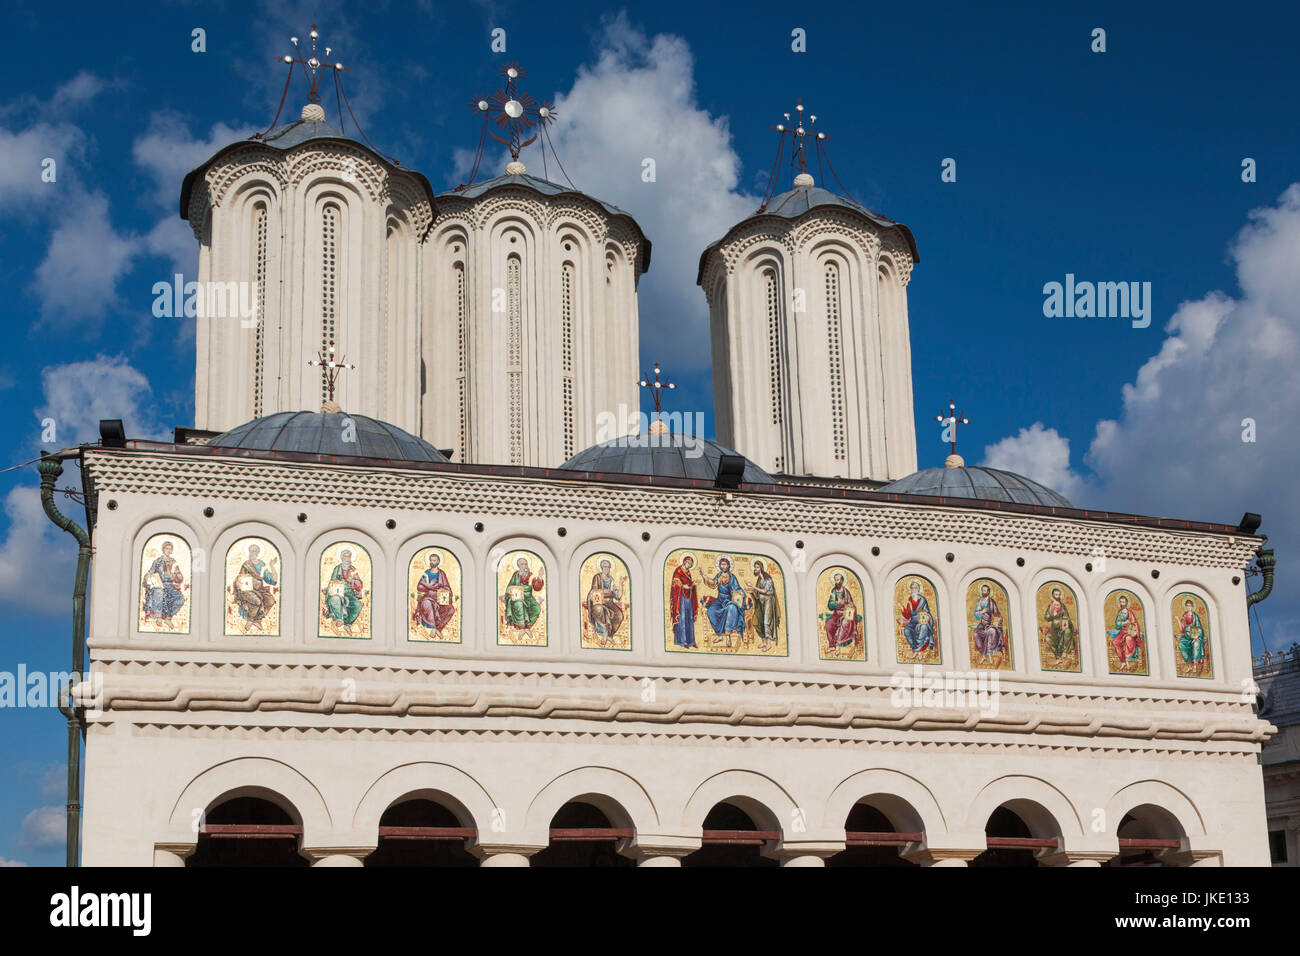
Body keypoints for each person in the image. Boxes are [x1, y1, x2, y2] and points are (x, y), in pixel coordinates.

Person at [704, 556, 748, 649]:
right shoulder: (719, 575)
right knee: (711, 611)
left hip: (729, 600)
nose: (723, 566)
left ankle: (728, 636)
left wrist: (741, 593)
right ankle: (719, 635)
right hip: (719, 600)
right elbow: (713, 584)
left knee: (732, 608)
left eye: (725, 564)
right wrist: (704, 576)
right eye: (721, 565)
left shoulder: (732, 577)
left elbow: (737, 588)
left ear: (728, 566)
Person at [232, 542, 278, 629]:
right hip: (246, 590)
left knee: (270, 600)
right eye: (250, 551)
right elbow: (240, 578)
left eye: (253, 551)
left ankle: (258, 620)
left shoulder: (261, 564)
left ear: (258, 553)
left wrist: (272, 566)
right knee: (257, 601)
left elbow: (273, 581)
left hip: (259, 590)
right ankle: (250, 620)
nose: (251, 553)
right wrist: (239, 584)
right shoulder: (246, 565)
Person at [323, 548, 365, 636]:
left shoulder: (353, 570)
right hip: (337, 592)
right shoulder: (337, 569)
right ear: (342, 558)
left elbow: (359, 584)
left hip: (349, 594)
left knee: (358, 605)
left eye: (349, 557)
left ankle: (348, 623)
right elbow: (332, 581)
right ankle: (339, 619)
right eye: (345, 557)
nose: (347, 559)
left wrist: (353, 581)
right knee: (335, 599)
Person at [143, 540, 186, 625]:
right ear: (163, 549)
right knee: (159, 592)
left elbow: (179, 577)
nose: (168, 551)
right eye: (167, 548)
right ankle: (158, 617)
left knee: (180, 597)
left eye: (170, 549)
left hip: (170, 585)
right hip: (159, 584)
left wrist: (177, 574)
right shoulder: (158, 561)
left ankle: (169, 618)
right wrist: (147, 577)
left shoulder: (174, 562)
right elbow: (151, 571)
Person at [413, 551, 455, 637]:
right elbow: (419, 587)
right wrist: (429, 586)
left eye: (434, 560)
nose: (432, 562)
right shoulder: (427, 573)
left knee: (451, 609)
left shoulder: (441, 574)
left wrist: (443, 589)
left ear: (438, 562)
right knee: (427, 604)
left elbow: (447, 587)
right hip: (428, 598)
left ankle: (438, 629)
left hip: (440, 599)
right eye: (431, 560)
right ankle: (433, 627)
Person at [585, 558, 625, 646]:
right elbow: (595, 591)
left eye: (608, 567)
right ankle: (605, 632)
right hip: (598, 603)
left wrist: (621, 584)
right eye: (605, 567)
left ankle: (610, 635)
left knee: (620, 615)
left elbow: (618, 596)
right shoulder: (597, 577)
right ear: (601, 567)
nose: (607, 569)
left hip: (610, 604)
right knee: (599, 609)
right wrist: (608, 592)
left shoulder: (611, 580)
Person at [501, 555, 543, 636]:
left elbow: (537, 588)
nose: (525, 566)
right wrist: (510, 591)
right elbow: (509, 587)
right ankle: (521, 628)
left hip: (529, 598)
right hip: (517, 597)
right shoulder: (516, 575)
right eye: (522, 564)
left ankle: (527, 628)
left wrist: (540, 577)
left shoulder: (531, 575)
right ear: (519, 566)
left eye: (526, 564)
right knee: (519, 604)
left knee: (537, 608)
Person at [824, 572, 860, 656]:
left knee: (844, 623)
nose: (837, 582)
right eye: (835, 580)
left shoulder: (846, 592)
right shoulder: (833, 591)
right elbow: (830, 605)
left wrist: (847, 605)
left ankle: (838, 645)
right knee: (828, 624)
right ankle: (832, 645)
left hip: (846, 614)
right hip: (836, 614)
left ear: (842, 581)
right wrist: (838, 603)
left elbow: (851, 604)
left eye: (838, 580)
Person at [898, 579, 936, 659]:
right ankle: (915, 650)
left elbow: (927, 613)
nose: (913, 590)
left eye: (915, 588)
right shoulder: (910, 600)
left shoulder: (923, 600)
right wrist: (902, 608)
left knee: (923, 627)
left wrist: (924, 618)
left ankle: (918, 650)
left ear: (918, 589)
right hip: (913, 621)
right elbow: (908, 615)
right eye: (912, 588)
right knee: (907, 630)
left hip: (922, 621)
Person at [971, 583, 1006, 666]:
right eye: (982, 590)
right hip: (982, 624)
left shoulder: (991, 602)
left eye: (985, 591)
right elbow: (976, 615)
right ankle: (983, 654)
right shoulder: (980, 601)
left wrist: (995, 621)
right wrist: (981, 612)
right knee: (976, 633)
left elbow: (997, 614)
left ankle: (988, 655)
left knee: (991, 632)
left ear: (988, 592)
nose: (983, 592)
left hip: (991, 624)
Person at [1040, 587, 1077, 666]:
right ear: (1052, 595)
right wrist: (1052, 614)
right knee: (1048, 638)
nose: (1057, 596)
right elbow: (1047, 618)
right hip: (1054, 629)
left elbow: (1067, 617)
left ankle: (1065, 652)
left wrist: (1064, 620)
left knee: (1067, 631)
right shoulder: (1051, 607)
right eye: (1056, 594)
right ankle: (1058, 657)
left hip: (1063, 627)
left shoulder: (1063, 606)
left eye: (1059, 594)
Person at [750, 560, 780, 652]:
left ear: (761, 568)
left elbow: (765, 591)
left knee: (767, 622)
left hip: (768, 602)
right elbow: (758, 592)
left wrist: (753, 587)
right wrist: (751, 592)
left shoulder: (767, 578)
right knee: (757, 620)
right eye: (754, 567)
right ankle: (763, 641)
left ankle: (769, 644)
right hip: (761, 603)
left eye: (757, 567)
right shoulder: (759, 579)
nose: (755, 569)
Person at [670, 554, 699, 648]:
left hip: (688, 597)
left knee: (689, 618)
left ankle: (691, 641)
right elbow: (675, 583)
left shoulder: (688, 572)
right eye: (688, 563)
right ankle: (683, 641)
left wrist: (693, 584)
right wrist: (683, 586)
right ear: (684, 562)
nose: (689, 566)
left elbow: (688, 584)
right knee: (682, 618)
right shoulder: (678, 571)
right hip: (680, 598)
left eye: (691, 564)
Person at [1109, 594, 1144, 672]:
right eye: (1121, 602)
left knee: (1127, 640)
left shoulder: (1130, 612)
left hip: (1130, 632)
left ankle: (1127, 662)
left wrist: (1131, 623)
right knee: (1116, 642)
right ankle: (1123, 661)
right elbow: (1117, 624)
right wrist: (1124, 622)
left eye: (1123, 602)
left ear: (1126, 603)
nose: (1122, 604)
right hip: (1123, 631)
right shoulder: (1120, 613)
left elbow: (1135, 622)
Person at [1176, 597, 1206, 675]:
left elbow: (1199, 627)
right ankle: (1189, 665)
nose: (1188, 607)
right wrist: (1178, 620)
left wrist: (1196, 636)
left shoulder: (1195, 616)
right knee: (1181, 644)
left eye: (1190, 605)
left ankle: (1195, 666)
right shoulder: (1185, 615)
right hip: (1186, 636)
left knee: (1196, 644)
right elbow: (1182, 628)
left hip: (1195, 635)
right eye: (1187, 606)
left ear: (1192, 607)